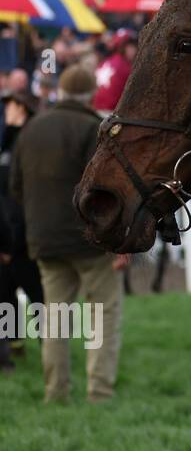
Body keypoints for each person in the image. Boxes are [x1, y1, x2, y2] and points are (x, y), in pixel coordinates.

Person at [10, 65, 126, 402]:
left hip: (44, 240)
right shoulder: (94, 129)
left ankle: (55, 392)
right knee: (102, 313)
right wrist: (118, 238)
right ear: (91, 95)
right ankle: (100, 392)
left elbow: (16, 187)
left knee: (56, 319)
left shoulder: (31, 128)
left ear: (60, 91)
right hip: (89, 240)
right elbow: (108, 190)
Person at [0, 90, 43, 372]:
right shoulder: (7, 141)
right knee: (5, 299)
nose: (6, 110)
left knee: (39, 296)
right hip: (7, 233)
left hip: (27, 234)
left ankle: (53, 350)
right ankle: (11, 349)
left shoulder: (31, 142)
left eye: (10, 105)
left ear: (22, 108)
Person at [93, 28, 136, 113]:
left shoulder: (104, 62)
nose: (134, 49)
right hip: (112, 116)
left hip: (96, 111)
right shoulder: (125, 67)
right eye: (131, 46)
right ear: (122, 47)